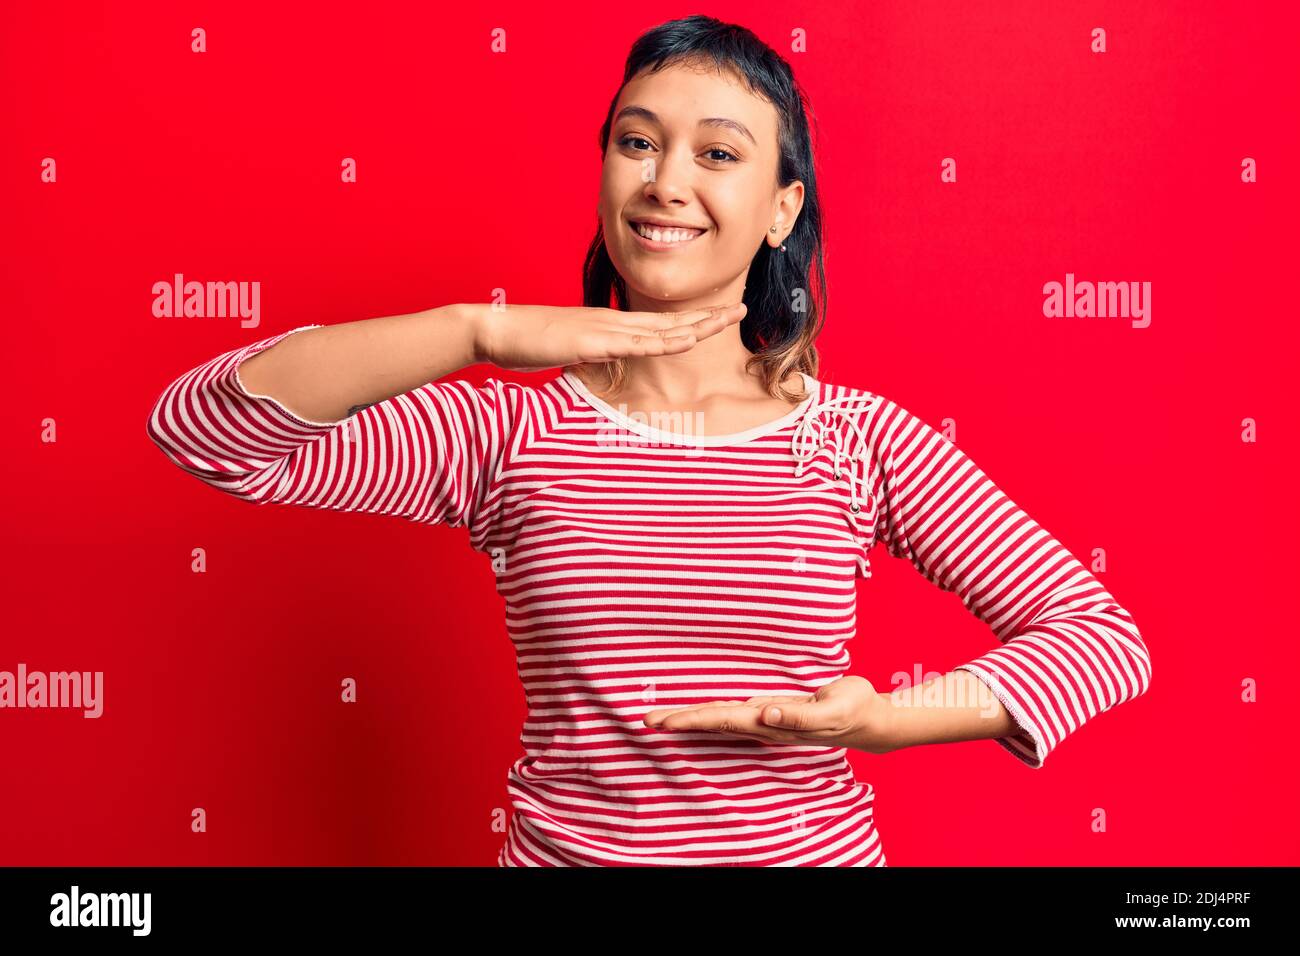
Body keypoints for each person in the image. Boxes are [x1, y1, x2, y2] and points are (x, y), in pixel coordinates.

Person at [146, 15, 1151, 866]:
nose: (667, 181)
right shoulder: (509, 429)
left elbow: (1100, 640)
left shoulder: (858, 439)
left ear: (780, 210)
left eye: (717, 153)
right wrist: (475, 330)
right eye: (637, 142)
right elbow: (207, 428)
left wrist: (884, 720)